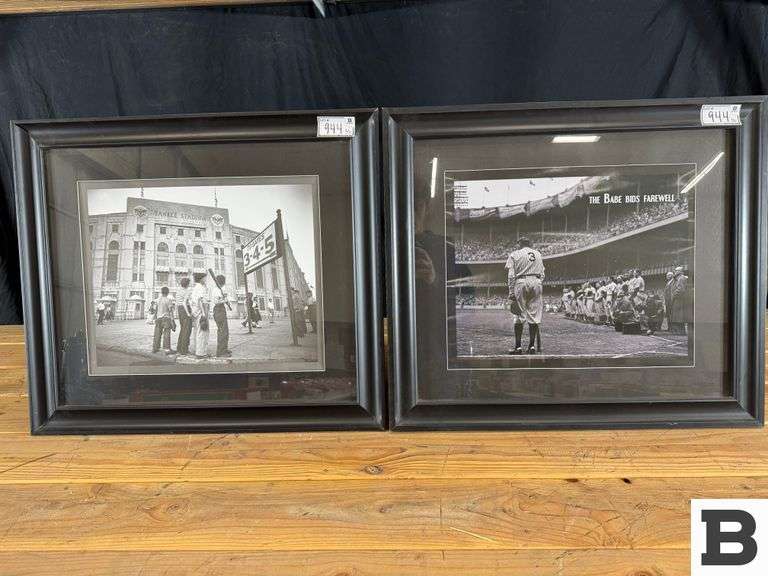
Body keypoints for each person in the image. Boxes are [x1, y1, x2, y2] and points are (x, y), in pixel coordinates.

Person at [505, 236, 545, 355]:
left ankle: (518, 347)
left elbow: (511, 275)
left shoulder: (515, 254)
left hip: (521, 282)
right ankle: (531, 347)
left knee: (519, 315)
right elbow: (542, 273)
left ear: (520, 244)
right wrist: (537, 282)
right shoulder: (538, 254)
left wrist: (511, 291)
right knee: (534, 316)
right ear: (530, 244)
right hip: (536, 282)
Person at [189, 272, 210, 359]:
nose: (206, 280)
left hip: (196, 312)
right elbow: (200, 301)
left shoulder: (196, 288)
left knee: (198, 332)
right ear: (201, 279)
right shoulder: (200, 287)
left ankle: (198, 351)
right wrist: (204, 314)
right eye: (205, 278)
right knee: (203, 332)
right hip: (201, 312)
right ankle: (201, 353)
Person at [212, 274, 231, 357]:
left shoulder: (220, 290)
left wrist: (225, 300)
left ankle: (224, 349)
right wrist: (224, 300)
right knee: (222, 331)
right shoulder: (216, 290)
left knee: (225, 331)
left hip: (221, 309)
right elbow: (216, 302)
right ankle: (221, 352)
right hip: (218, 309)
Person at [152, 286, 175, 354]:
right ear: (167, 293)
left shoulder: (157, 300)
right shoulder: (168, 300)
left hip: (158, 318)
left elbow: (154, 310)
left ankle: (155, 348)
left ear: (161, 292)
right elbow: (170, 311)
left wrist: (155, 318)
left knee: (157, 334)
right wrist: (172, 320)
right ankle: (167, 349)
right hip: (166, 318)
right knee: (166, 333)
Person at [176, 277, 193, 355]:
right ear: (187, 284)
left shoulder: (178, 291)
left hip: (180, 310)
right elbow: (184, 303)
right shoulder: (187, 291)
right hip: (185, 309)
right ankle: (184, 350)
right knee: (187, 330)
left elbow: (179, 303)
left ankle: (179, 348)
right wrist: (188, 313)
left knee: (183, 329)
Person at [671, 266, 690, 335]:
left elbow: (680, 289)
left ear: (680, 271)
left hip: (679, 299)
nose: (675, 272)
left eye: (676, 270)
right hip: (679, 299)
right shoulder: (679, 278)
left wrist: (673, 295)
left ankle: (680, 332)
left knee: (679, 316)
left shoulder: (681, 278)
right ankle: (680, 332)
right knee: (678, 316)